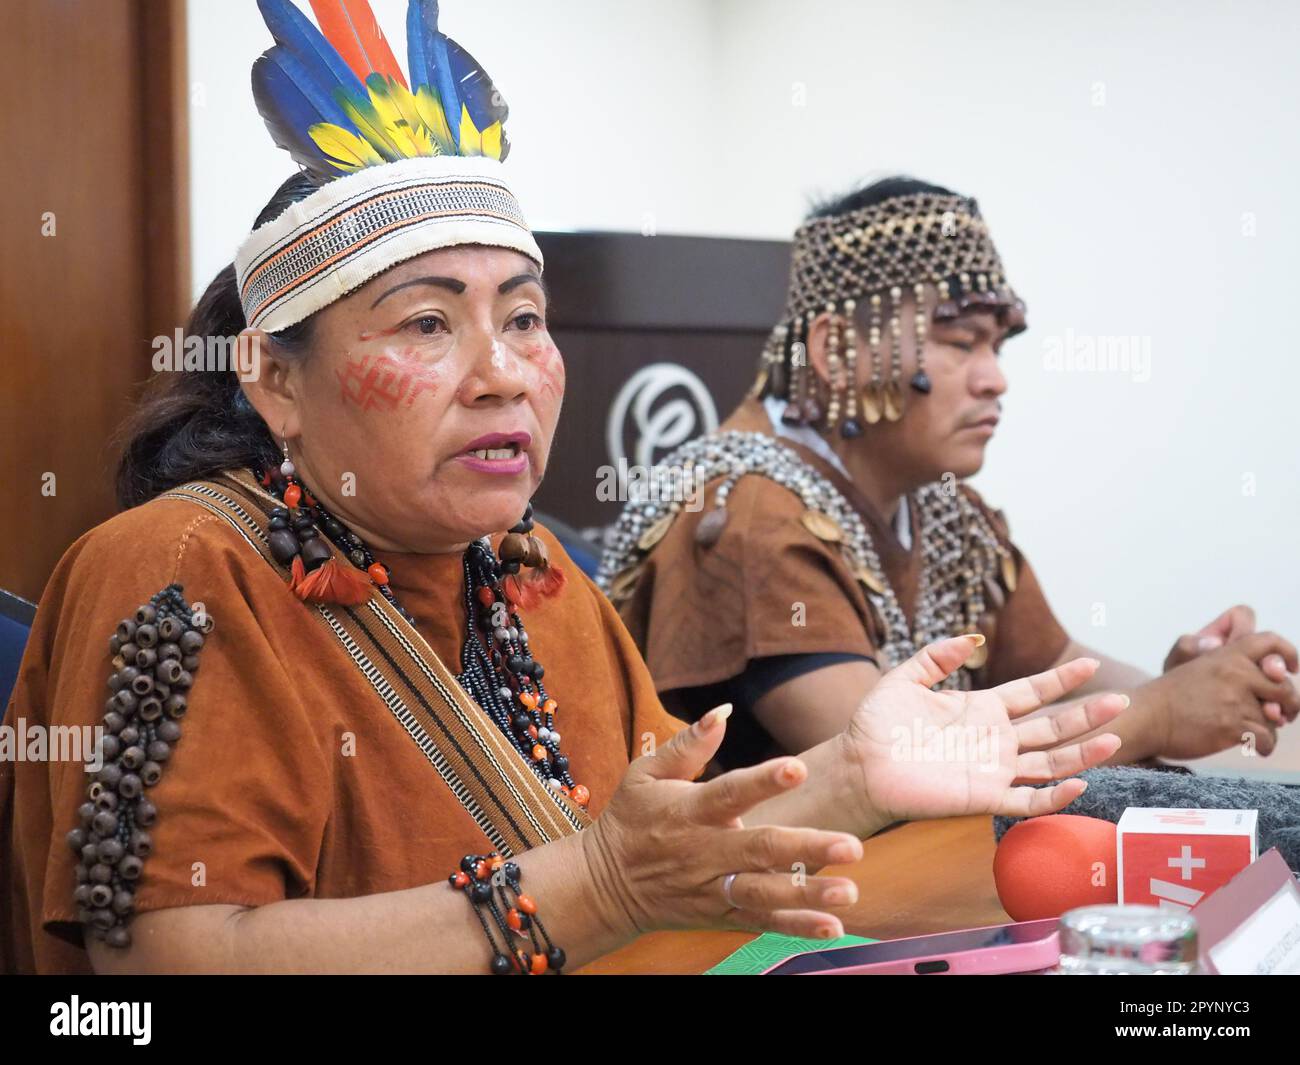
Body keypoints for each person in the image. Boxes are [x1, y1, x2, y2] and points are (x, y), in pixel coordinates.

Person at [0, 5, 1123, 975]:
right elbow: (158, 966)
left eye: (525, 319)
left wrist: (852, 776)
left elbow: (665, 848)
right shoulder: (174, 571)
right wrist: (596, 889)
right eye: (429, 323)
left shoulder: (536, 579)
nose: (503, 374)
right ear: (275, 380)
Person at [600, 176, 1297, 772]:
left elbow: (1057, 674)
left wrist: (1189, 684)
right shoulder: (745, 514)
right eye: (961, 343)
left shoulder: (944, 512)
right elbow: (885, 764)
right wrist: (1153, 716)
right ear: (838, 350)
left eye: (996, 346)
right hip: (753, 928)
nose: (995, 379)